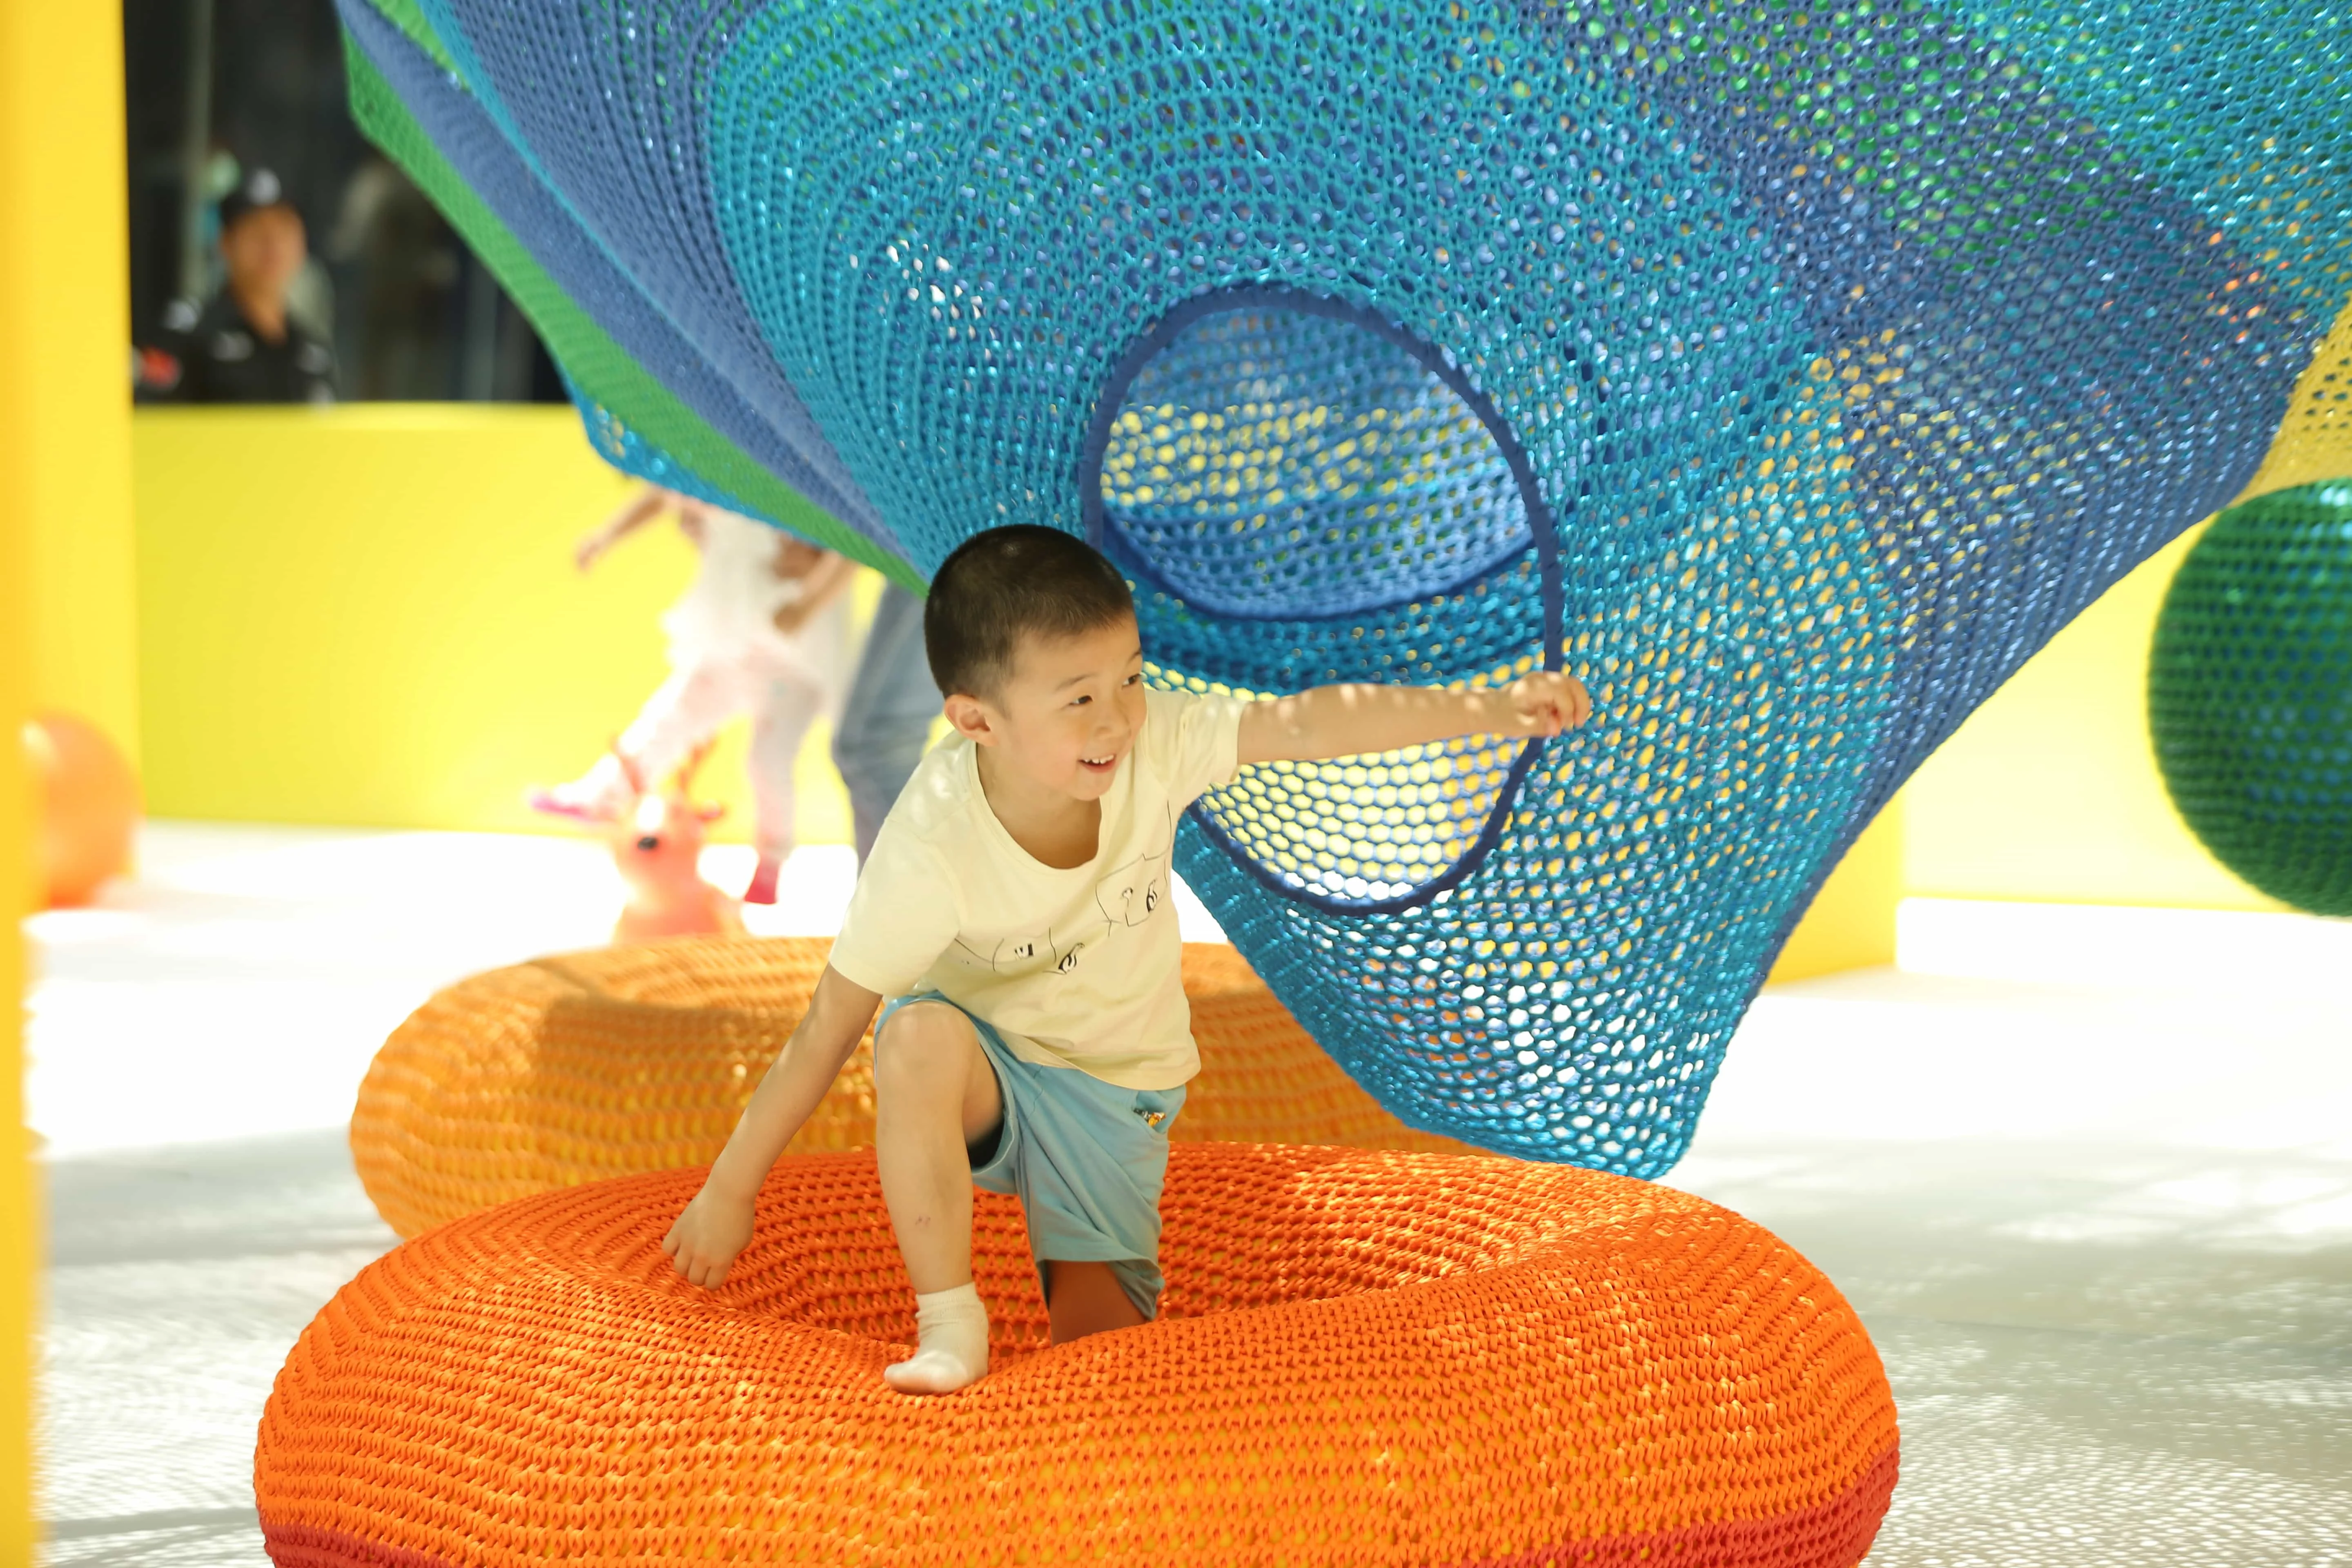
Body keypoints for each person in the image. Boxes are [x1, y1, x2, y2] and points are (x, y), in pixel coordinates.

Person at [660, 525, 1592, 1393]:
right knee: (912, 1035)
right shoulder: (932, 842)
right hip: (985, 1069)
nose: (1116, 718)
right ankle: (949, 1321)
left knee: (1102, 1360)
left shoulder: (1157, 742)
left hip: (1115, 1087)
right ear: (976, 721)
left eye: (1130, 677)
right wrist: (728, 1190)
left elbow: (1307, 724)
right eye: (1078, 699)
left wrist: (1491, 707)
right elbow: (829, 1024)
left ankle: (1080, 1311)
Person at [530, 485, 854, 904]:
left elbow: (846, 549)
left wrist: (810, 595)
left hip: (792, 655)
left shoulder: (792, 486)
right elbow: (662, 491)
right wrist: (607, 535)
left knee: (767, 760)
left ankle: (771, 862)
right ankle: (600, 796)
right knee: (668, 719)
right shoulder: (712, 476)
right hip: (727, 642)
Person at [142, 167, 337, 404]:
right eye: (257, 232)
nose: (272, 247)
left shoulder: (313, 350)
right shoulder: (189, 335)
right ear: (226, 243)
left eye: (285, 230)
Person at [830, 580, 942, 863]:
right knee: (871, 750)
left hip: (942, 556)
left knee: (872, 750)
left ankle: (908, 904)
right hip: (922, 558)